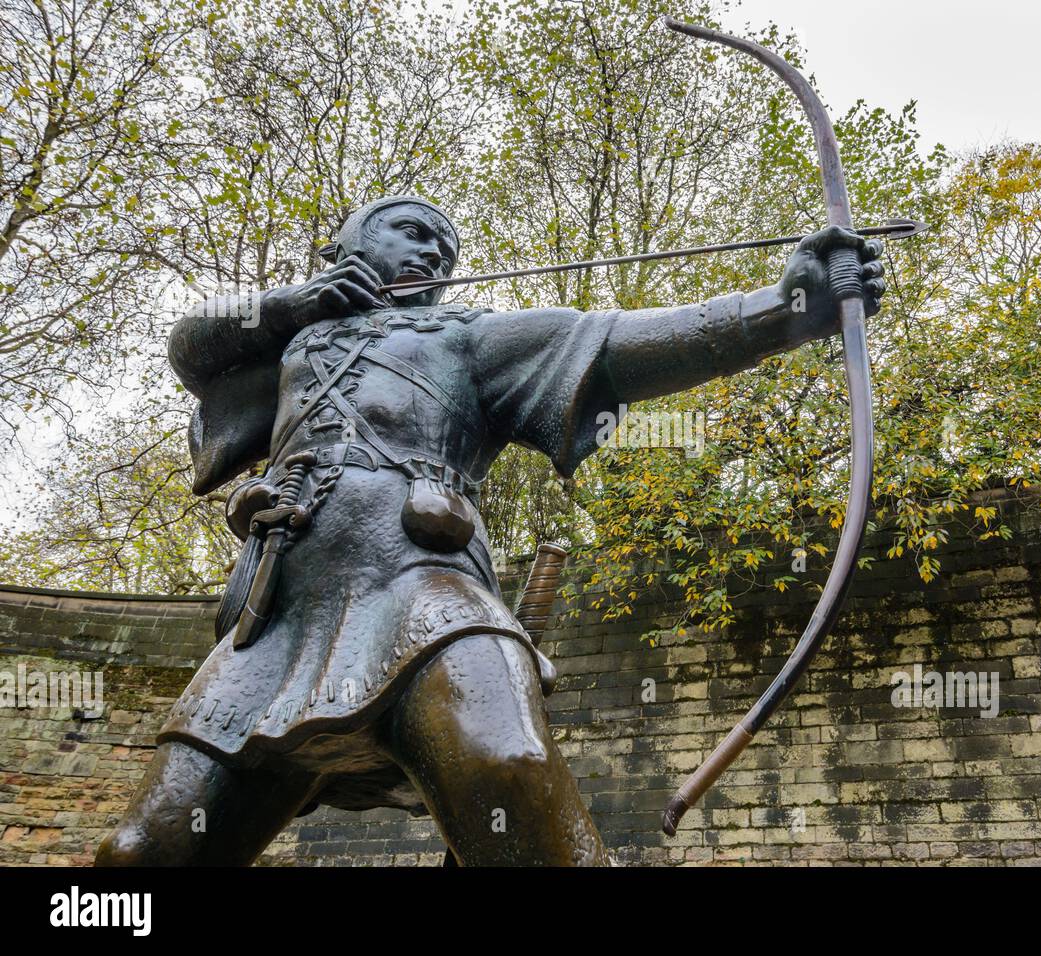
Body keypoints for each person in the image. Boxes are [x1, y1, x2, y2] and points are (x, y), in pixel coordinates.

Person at [95, 195, 885, 866]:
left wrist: (785, 306)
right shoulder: (300, 340)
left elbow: (619, 345)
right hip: (272, 617)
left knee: (506, 768)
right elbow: (192, 347)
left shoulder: (466, 337)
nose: (433, 246)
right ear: (344, 244)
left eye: (444, 243)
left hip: (421, 592)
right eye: (409, 227)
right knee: (141, 852)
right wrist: (292, 305)